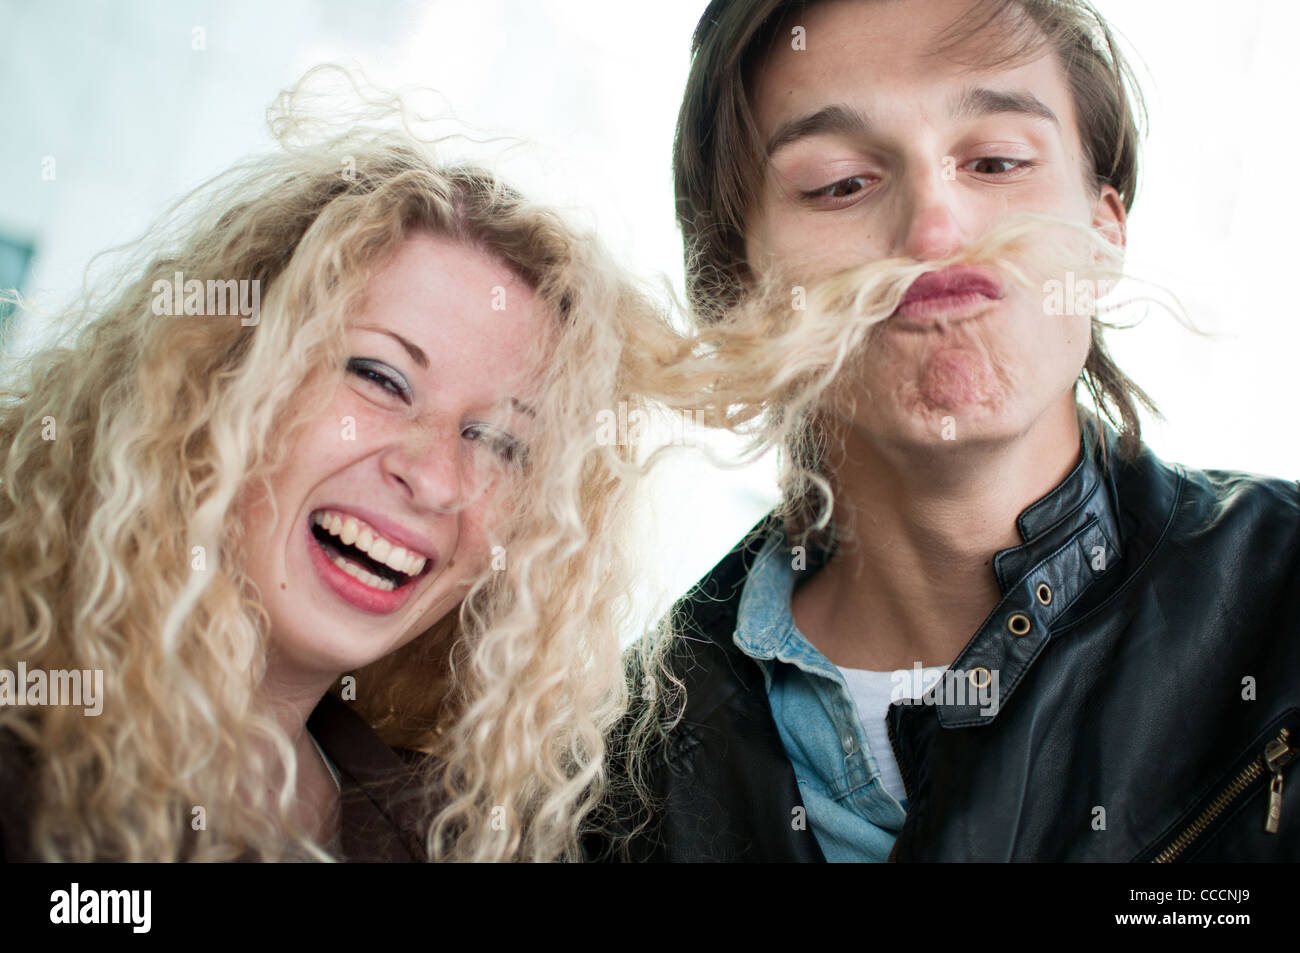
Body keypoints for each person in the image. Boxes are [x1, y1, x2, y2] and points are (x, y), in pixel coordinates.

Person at [589, 0, 1300, 862]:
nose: (934, 229)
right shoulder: (609, 784)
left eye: (996, 162)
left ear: (1104, 232)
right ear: (736, 286)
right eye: (840, 184)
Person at [0, 71, 662, 862]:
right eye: (381, 377)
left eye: (499, 441)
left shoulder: (446, 838)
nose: (436, 477)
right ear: (216, 375)